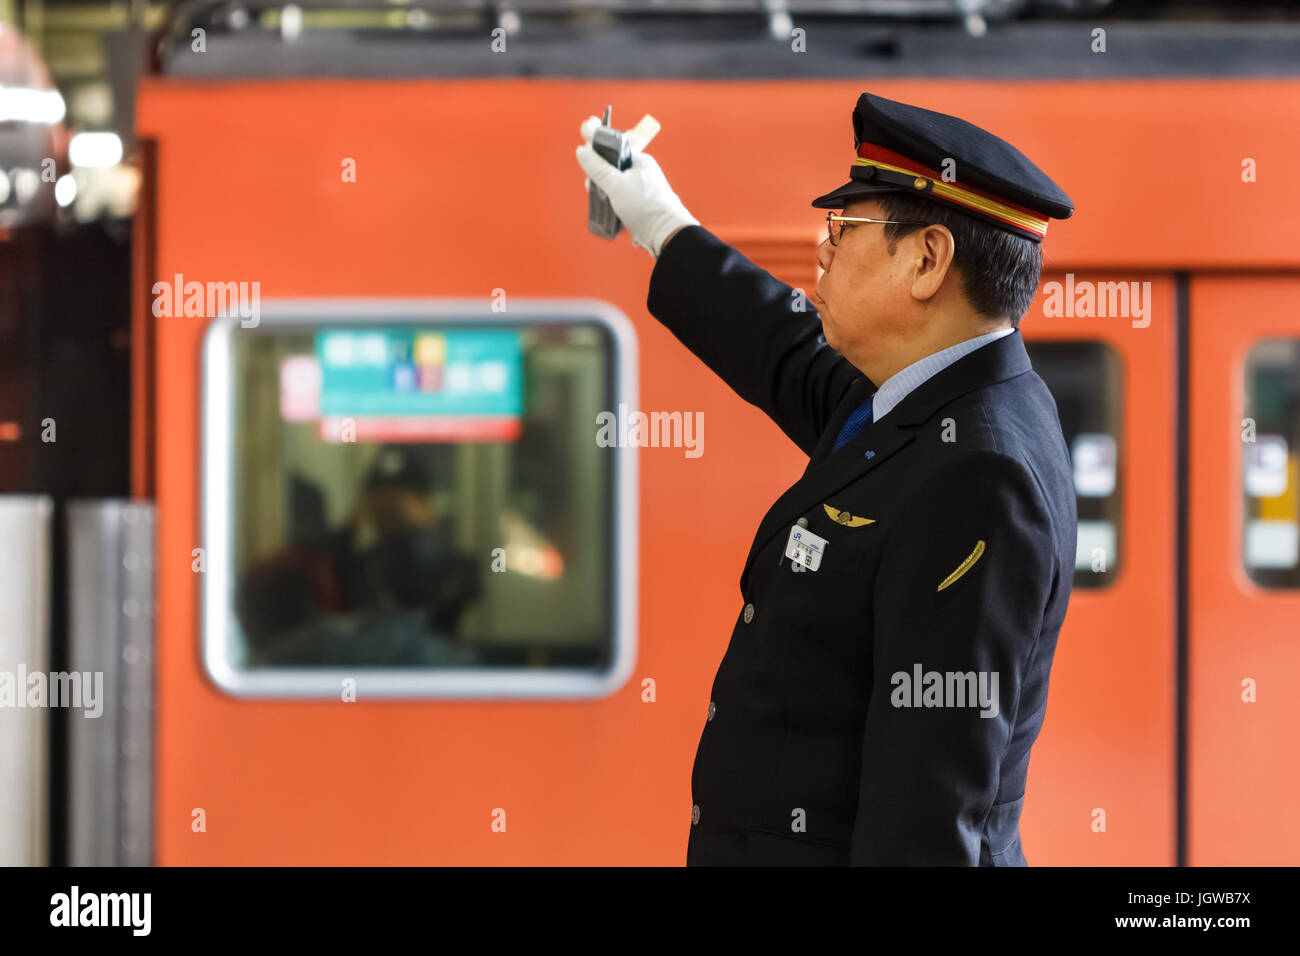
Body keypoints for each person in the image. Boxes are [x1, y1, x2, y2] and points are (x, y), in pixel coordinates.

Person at [575, 92, 1078, 866]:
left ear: (927, 260)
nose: (823, 248)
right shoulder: (921, 396)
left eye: (846, 229)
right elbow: (779, 342)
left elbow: (927, 819)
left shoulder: (979, 476)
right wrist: (657, 218)